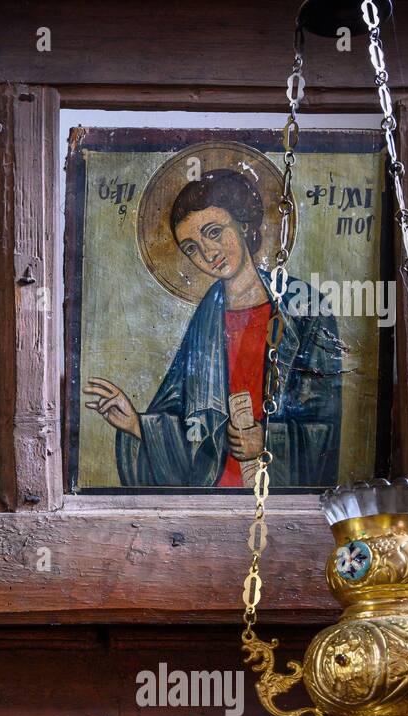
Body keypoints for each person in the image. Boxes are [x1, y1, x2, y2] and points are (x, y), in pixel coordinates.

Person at [84, 169, 341, 487]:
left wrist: (269, 442)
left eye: (214, 232)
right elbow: (190, 424)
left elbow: (325, 423)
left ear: (243, 224)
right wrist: (137, 425)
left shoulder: (304, 308)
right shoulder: (205, 322)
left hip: (278, 497)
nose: (207, 253)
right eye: (191, 248)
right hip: (213, 495)